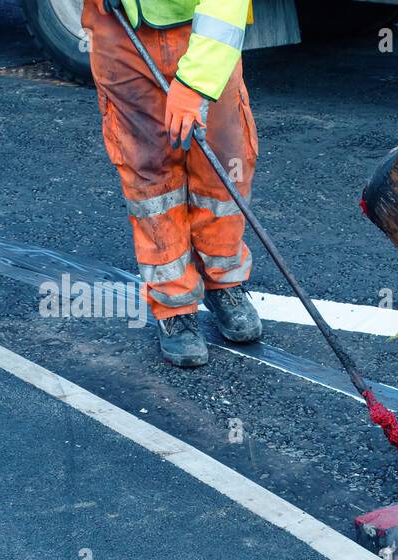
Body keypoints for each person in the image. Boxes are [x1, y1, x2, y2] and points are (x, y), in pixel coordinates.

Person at [84, 0, 262, 367]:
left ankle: (224, 283)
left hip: (202, 30)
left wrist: (195, 83)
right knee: (150, 175)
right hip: (122, 34)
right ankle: (174, 304)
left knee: (224, 165)